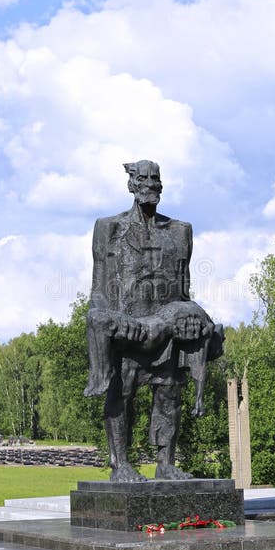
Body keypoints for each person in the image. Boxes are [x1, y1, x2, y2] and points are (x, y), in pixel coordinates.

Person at [84, 160, 223, 481]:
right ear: (131, 185)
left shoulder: (179, 231)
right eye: (143, 179)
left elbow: (184, 290)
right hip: (128, 330)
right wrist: (102, 320)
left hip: (170, 331)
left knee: (169, 394)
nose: (150, 185)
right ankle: (121, 464)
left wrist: (196, 321)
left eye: (155, 179)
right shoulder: (110, 228)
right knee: (122, 394)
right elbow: (99, 288)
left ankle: (166, 463)